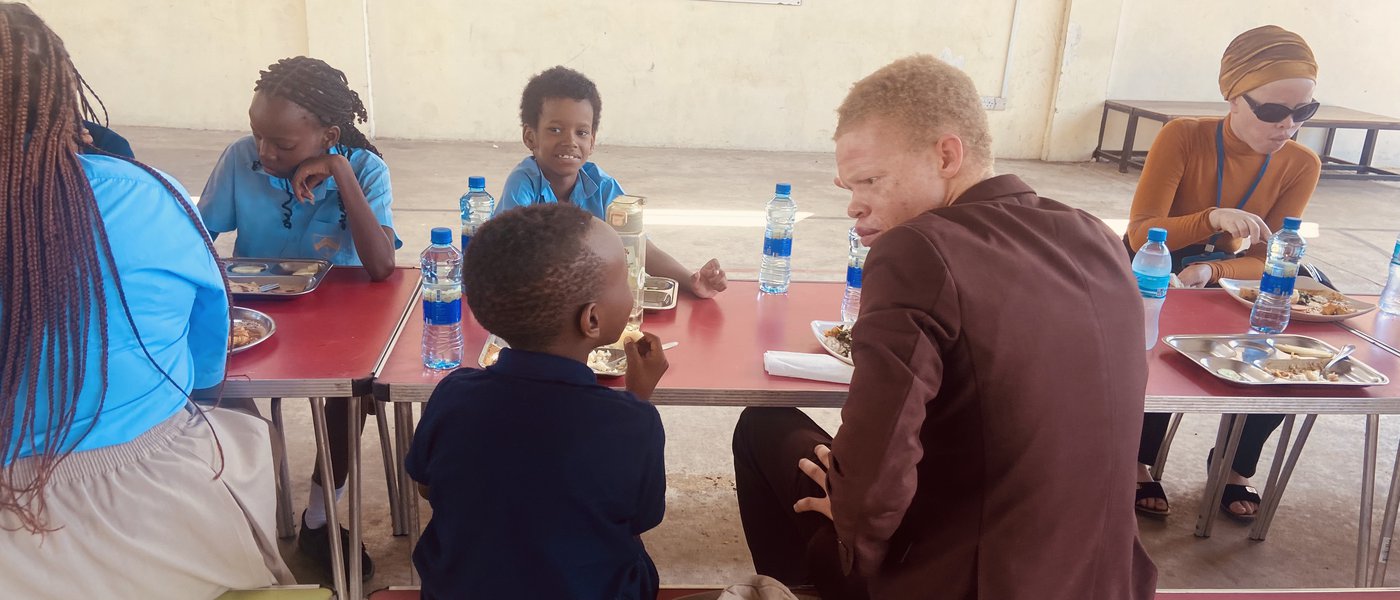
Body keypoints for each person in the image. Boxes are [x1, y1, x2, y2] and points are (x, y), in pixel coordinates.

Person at [731, 55, 1158, 600]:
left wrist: (852, 530)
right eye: (848, 187)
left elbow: (877, 468)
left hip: (973, 581)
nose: (855, 205)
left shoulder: (918, 249)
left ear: (947, 155)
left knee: (765, 428)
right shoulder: (1094, 234)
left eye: (870, 180)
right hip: (1108, 577)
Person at [0, 4, 292, 597]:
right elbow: (206, 363)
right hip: (159, 510)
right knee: (239, 436)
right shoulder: (144, 194)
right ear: (61, 90)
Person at [197, 56, 402, 579]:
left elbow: (380, 266)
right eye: (258, 135)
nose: (264, 151)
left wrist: (340, 172)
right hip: (254, 313)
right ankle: (245, 510)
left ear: (329, 134)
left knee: (348, 395)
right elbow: (199, 234)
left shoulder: (364, 168)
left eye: (282, 144)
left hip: (340, 315)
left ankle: (317, 518)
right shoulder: (242, 158)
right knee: (216, 390)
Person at [406, 204, 670, 599]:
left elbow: (429, 488)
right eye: (624, 280)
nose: (631, 291)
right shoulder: (634, 423)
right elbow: (637, 519)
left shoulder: (454, 394)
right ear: (592, 320)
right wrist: (636, 399)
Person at [1128, 25, 1321, 520]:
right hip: (1158, 258)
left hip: (1229, 272)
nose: (1288, 126)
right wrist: (1208, 218)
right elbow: (1141, 233)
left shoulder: (1300, 163)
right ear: (1234, 99)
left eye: (1303, 112)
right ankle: (1139, 461)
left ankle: (1237, 464)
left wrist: (1213, 270)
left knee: (1291, 342)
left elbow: (1275, 260)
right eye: (1274, 111)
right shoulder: (1184, 137)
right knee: (1158, 337)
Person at [496, 65, 729, 299]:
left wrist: (691, 281)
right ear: (530, 136)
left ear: (593, 141)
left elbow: (638, 247)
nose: (570, 141)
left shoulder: (603, 186)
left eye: (582, 132)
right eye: (555, 130)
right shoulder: (523, 184)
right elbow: (516, 260)